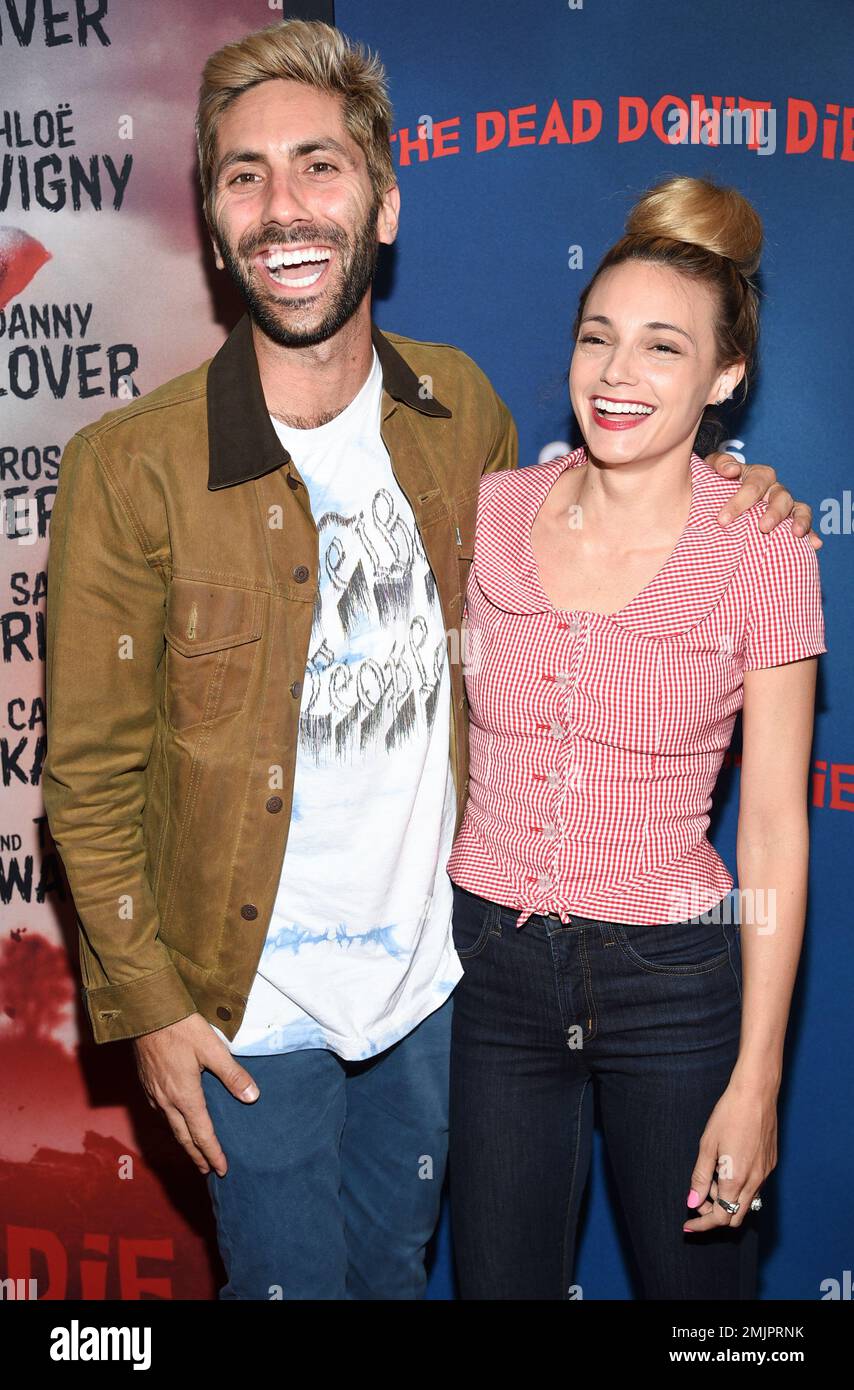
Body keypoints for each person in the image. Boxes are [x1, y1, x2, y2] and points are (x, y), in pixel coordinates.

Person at [42, 18, 814, 1302]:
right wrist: (151, 1009)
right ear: (213, 216)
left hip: (434, 995)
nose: (283, 204)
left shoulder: (462, 424)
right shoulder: (131, 468)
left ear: (384, 205)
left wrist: (740, 490)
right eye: (244, 174)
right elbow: (88, 773)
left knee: (403, 1280)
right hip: (252, 1012)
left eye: (319, 166)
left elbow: (622, 496)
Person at [446, 174, 827, 1301]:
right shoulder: (492, 510)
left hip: (674, 979)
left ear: (723, 376)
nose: (616, 373)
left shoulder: (764, 547)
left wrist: (756, 1077)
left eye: (663, 347)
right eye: (597, 337)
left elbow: (767, 827)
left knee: (703, 1311)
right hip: (491, 973)